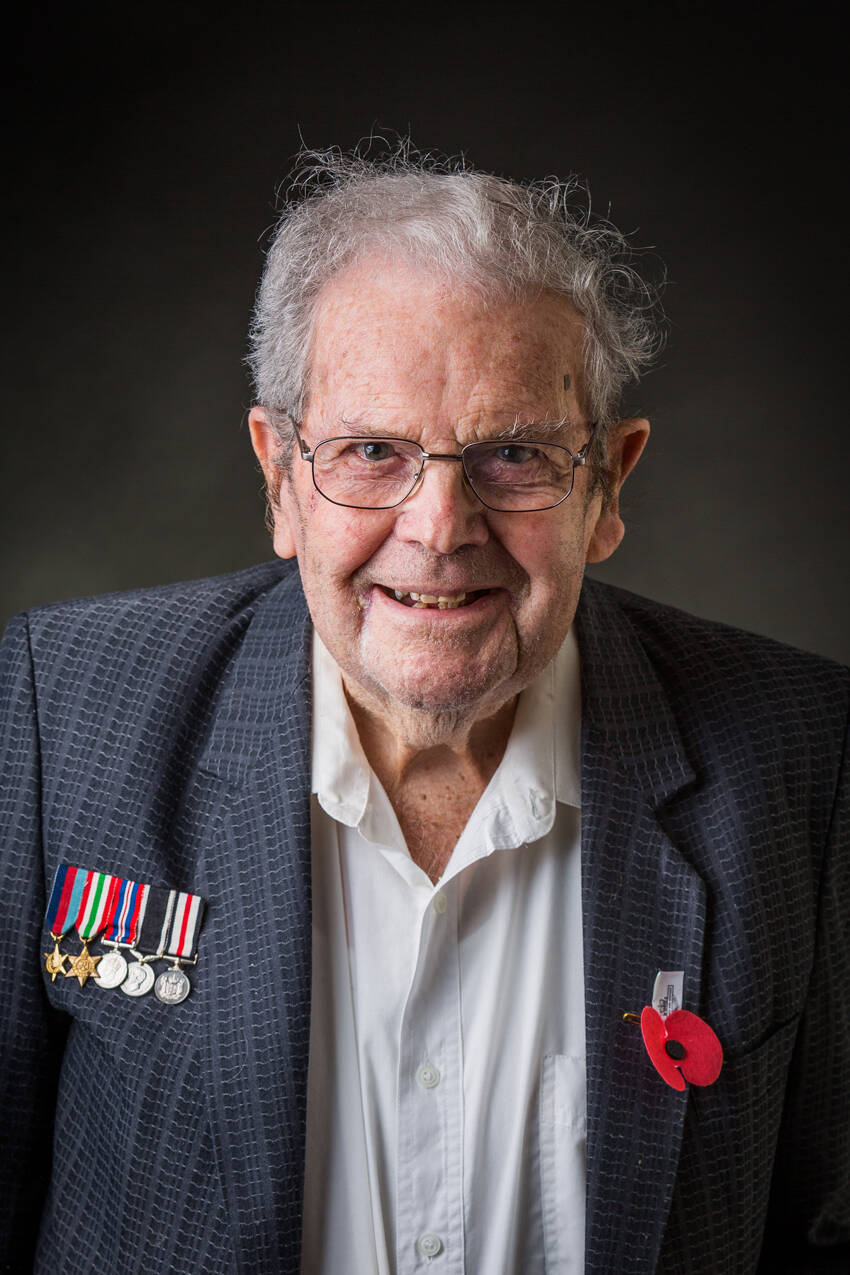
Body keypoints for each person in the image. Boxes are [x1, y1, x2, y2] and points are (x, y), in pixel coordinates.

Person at [0, 145, 847, 1275]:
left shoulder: (805, 755)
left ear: (609, 485)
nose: (439, 526)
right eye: (370, 452)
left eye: (513, 455)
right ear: (277, 477)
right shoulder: (57, 709)